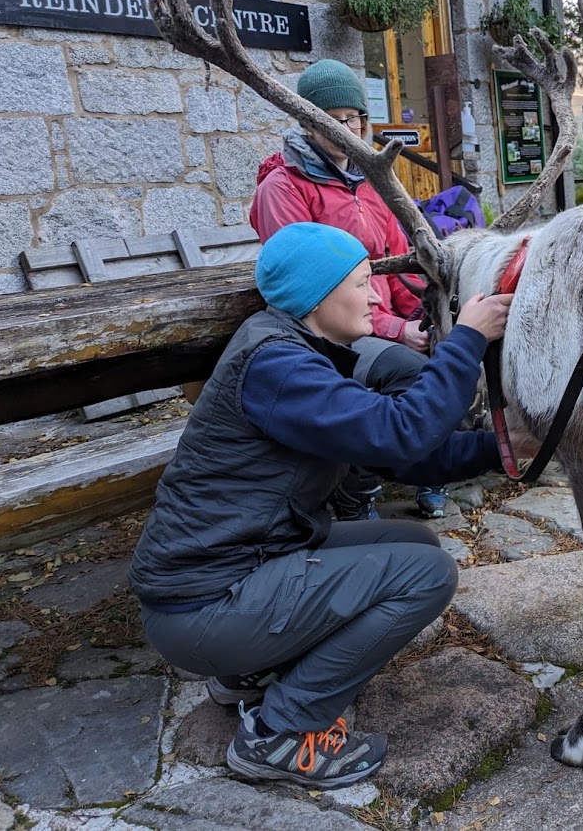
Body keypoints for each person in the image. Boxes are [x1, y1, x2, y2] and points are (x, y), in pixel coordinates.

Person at [128, 222, 516, 789]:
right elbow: (400, 433)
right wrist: (468, 341)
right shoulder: (276, 366)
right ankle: (280, 732)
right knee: (426, 575)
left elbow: (395, 460)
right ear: (319, 295)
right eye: (361, 283)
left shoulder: (297, 352)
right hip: (204, 606)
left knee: (416, 543)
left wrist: (501, 450)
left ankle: (253, 669)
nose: (376, 297)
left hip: (238, 574)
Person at [249, 58, 450, 520]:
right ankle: (353, 494)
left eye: (354, 119)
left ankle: (430, 468)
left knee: (452, 355)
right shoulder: (283, 187)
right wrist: (397, 331)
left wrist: (424, 316)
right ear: (307, 121)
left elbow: (403, 263)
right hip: (326, 334)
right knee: (408, 374)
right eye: (333, 120)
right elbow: (312, 285)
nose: (347, 129)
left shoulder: (372, 180)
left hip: (379, 319)